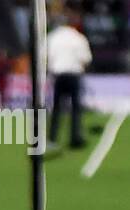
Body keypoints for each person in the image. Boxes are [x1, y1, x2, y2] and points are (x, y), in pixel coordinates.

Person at [47, 6, 93, 149]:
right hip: (73, 74)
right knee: (75, 108)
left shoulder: (52, 37)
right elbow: (86, 59)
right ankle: (75, 137)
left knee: (56, 108)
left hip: (58, 74)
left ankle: (52, 138)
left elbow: (45, 56)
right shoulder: (78, 37)